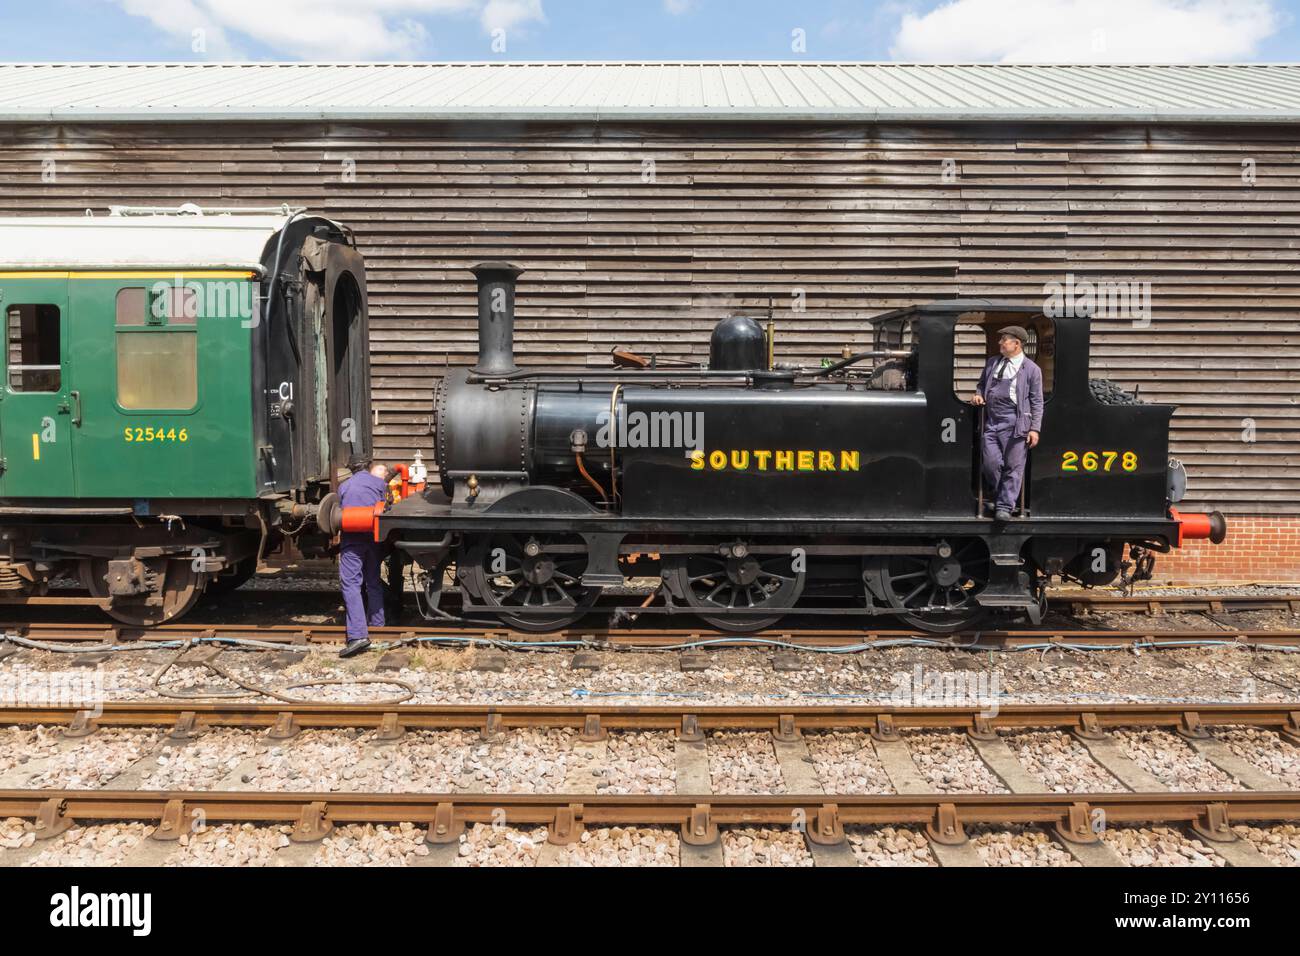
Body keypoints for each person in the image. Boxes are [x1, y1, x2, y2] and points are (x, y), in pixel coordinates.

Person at [971, 326, 1044, 522]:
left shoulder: (1031, 370)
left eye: (1004, 340)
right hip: (992, 420)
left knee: (1013, 466)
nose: (1000, 343)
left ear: (1017, 343)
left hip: (1016, 421)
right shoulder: (993, 363)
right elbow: (981, 385)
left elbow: (1037, 401)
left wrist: (1035, 428)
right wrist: (978, 395)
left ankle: (1004, 506)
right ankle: (998, 495)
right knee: (991, 463)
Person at [337, 456, 391, 658]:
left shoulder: (344, 486)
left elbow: (340, 512)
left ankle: (358, 635)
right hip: (373, 538)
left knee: (351, 583)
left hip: (352, 540)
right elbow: (386, 506)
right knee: (373, 581)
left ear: (351, 469)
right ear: (368, 467)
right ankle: (378, 626)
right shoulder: (379, 483)